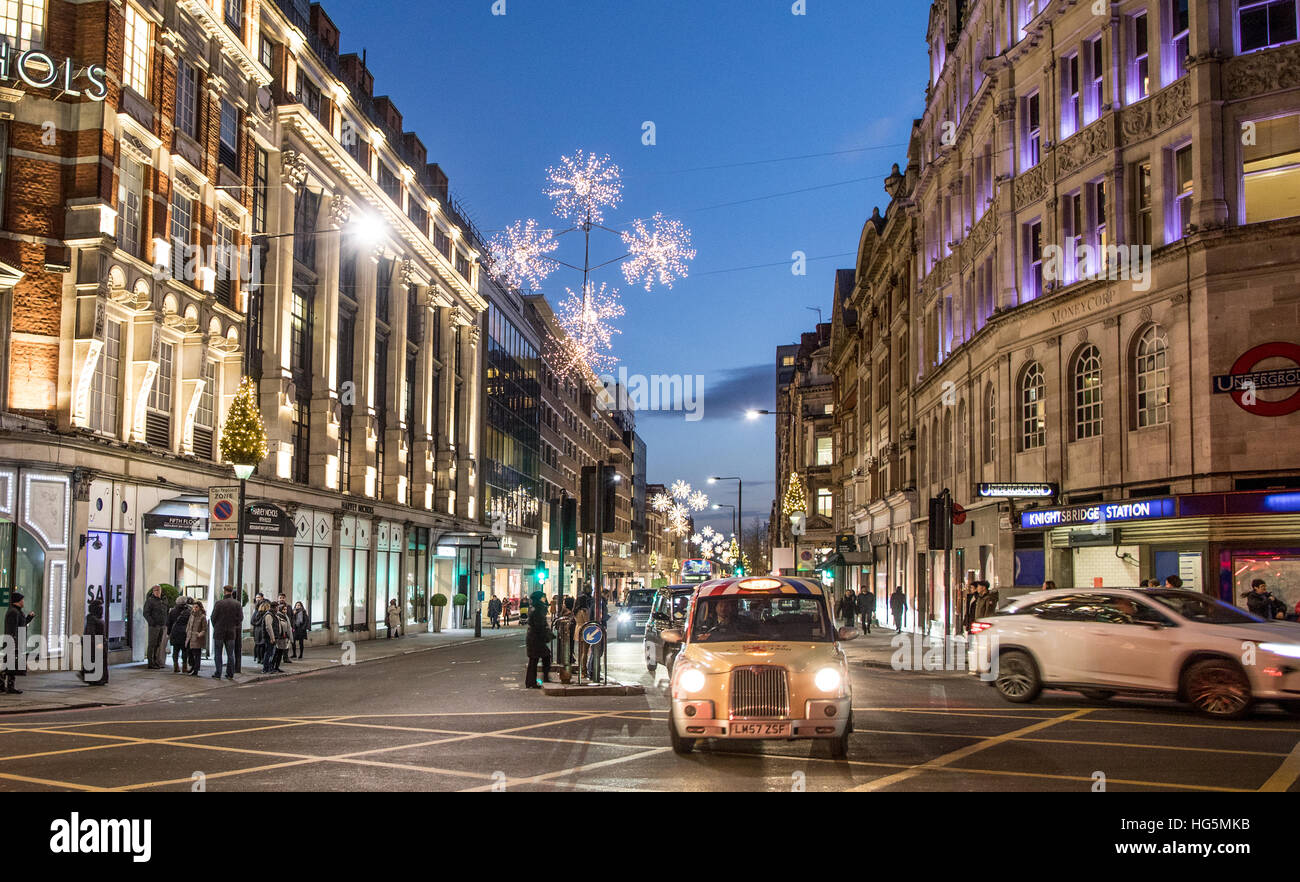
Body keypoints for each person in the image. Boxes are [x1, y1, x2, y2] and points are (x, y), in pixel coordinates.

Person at [3, 592, 35, 693]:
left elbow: (22, 625)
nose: (23, 601)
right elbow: (11, 629)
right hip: (12, 643)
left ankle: (10, 687)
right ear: (18, 601)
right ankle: (5, 686)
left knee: (11, 666)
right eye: (22, 599)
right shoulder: (13, 612)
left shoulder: (17, 611)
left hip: (16, 642)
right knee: (10, 666)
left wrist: (29, 618)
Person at [210, 586, 243, 680]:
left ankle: (218, 672)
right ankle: (230, 673)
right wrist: (234, 625)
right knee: (230, 654)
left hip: (219, 631)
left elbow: (213, 617)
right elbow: (240, 618)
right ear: (232, 592)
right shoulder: (237, 604)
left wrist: (216, 626)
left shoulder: (219, 603)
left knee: (218, 653)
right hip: (231, 632)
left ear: (224, 591)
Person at [524, 589, 553, 688]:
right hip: (536, 638)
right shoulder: (539, 608)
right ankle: (537, 680)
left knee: (534, 659)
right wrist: (545, 635)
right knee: (543, 657)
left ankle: (531, 681)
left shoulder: (533, 607)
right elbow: (539, 624)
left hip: (533, 637)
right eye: (543, 597)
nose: (544, 599)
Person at [80, 598, 108, 685]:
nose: (101, 610)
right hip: (95, 642)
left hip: (99, 642)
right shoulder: (92, 618)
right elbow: (91, 632)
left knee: (99, 661)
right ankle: (94, 678)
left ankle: (99, 678)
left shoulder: (97, 618)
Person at [143, 584, 168, 669]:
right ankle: (150, 663)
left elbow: (166, 611)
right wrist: (152, 622)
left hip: (162, 625)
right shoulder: (150, 601)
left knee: (158, 644)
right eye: (155, 590)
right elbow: (146, 613)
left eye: (158, 590)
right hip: (154, 626)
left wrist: (165, 622)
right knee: (152, 644)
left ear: (161, 591)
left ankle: (156, 661)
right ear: (153, 591)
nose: (157, 592)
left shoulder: (164, 600)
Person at [185, 600, 208, 677]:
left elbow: (205, 628)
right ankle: (192, 666)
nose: (194, 608)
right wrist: (187, 631)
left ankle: (196, 670)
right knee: (189, 653)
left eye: (196, 607)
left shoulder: (202, 617)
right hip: (189, 637)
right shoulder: (191, 615)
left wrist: (200, 634)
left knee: (197, 655)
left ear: (200, 608)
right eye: (193, 607)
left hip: (197, 638)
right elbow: (188, 625)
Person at [169, 598, 192, 673]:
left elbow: (168, 623)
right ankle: (184, 667)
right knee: (184, 650)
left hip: (175, 632)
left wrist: (169, 633)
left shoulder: (172, 611)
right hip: (184, 633)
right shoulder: (188, 611)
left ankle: (176, 666)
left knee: (175, 650)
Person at [574, 594, 591, 680]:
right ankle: (583, 670)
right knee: (585, 652)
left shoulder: (576, 610)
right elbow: (587, 621)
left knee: (580, 652)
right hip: (585, 630)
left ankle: (580, 668)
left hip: (578, 629)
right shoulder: (584, 611)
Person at [273, 602, 292, 670]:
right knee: (277, 652)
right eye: (284, 609)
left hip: (285, 636)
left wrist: (290, 636)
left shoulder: (286, 616)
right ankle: (273, 666)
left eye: (286, 609)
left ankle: (277, 667)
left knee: (281, 651)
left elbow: (289, 627)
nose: (285, 611)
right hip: (280, 636)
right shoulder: (278, 616)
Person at [251, 593, 268, 665]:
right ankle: (260, 658)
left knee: (259, 644)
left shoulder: (257, 611)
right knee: (261, 645)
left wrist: (256, 624)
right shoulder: (261, 613)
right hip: (260, 630)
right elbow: (252, 621)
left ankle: (259, 658)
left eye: (258, 597)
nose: (257, 599)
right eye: (256, 597)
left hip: (258, 630)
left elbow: (252, 621)